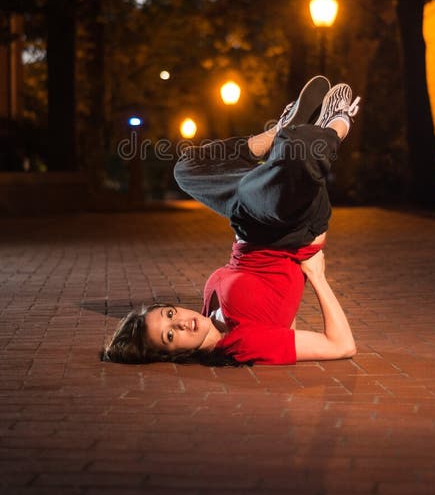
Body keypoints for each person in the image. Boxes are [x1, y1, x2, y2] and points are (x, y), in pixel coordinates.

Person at [103, 76, 360, 366]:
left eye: (170, 315)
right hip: (290, 231)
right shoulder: (241, 345)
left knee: (186, 169)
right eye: (170, 337)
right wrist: (317, 277)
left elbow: (276, 311)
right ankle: (336, 127)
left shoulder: (208, 307)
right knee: (290, 160)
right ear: (175, 355)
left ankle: (278, 134)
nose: (181, 323)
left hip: (248, 219)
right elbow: (341, 345)